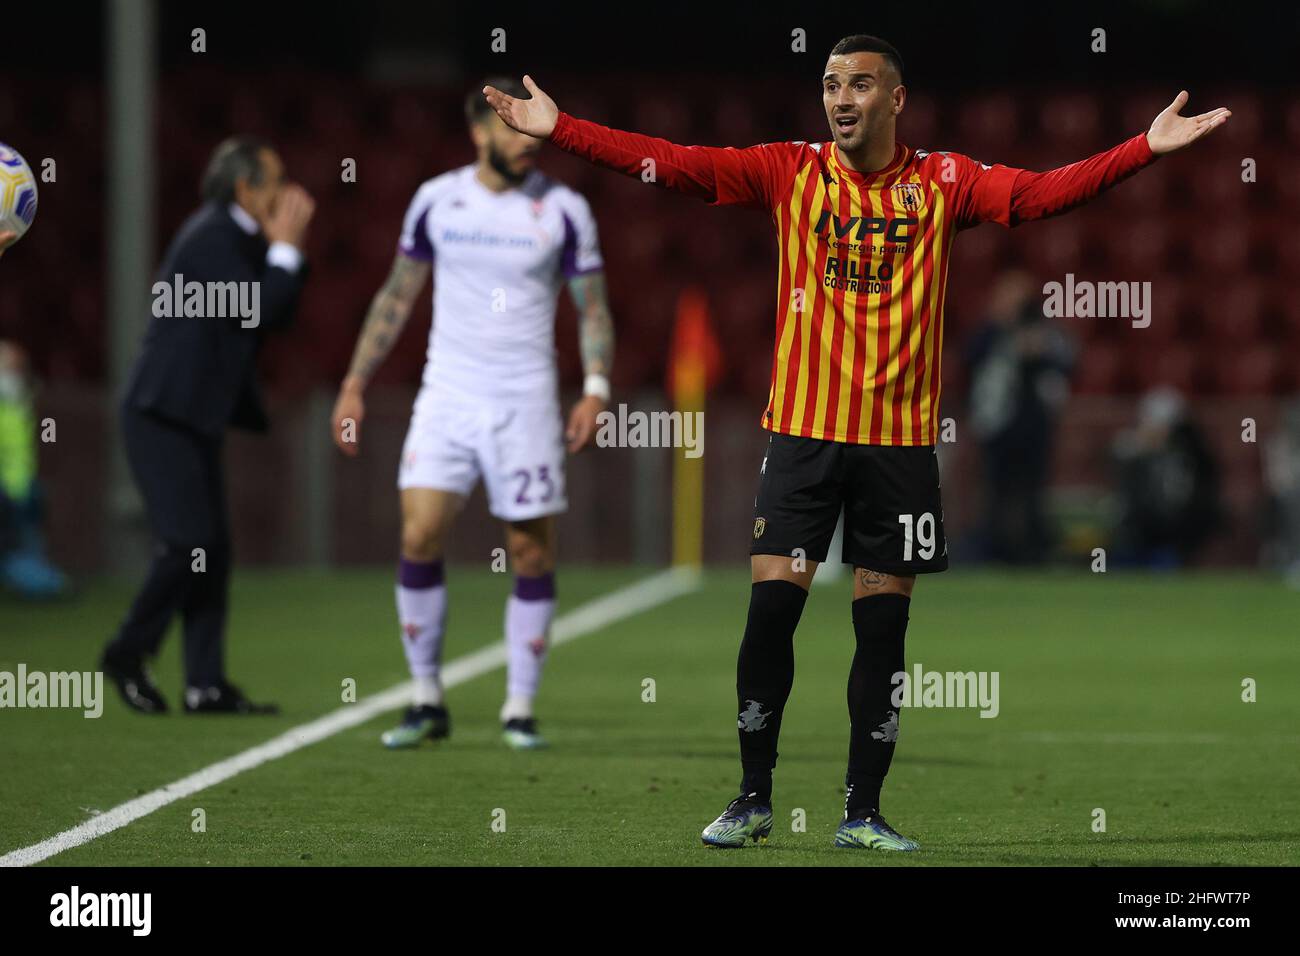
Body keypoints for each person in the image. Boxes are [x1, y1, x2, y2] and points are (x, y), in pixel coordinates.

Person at [484, 35, 1230, 849]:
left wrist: (1142, 150)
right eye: (831, 83)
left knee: (882, 635)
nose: (841, 98)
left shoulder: (945, 182)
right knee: (772, 611)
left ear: (896, 99)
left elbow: (1043, 195)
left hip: (899, 450)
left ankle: (862, 813)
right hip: (802, 437)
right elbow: (674, 161)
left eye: (861, 85)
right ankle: (752, 798)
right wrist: (565, 132)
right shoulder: (788, 170)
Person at [329, 78, 615, 751]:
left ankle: (519, 705)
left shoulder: (563, 208)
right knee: (420, 534)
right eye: (513, 126)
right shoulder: (437, 200)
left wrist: (597, 386)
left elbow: (592, 305)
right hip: (447, 396)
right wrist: (352, 382)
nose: (528, 140)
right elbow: (397, 297)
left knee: (528, 549)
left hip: (525, 402)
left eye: (532, 127)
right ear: (479, 130)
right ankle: (426, 698)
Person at [100, 137, 315, 715]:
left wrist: (284, 253)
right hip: (161, 414)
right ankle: (127, 650)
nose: (286, 192)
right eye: (275, 180)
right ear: (245, 188)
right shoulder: (213, 237)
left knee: (211, 550)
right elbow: (262, 307)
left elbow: (279, 311)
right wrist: (287, 250)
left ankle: (205, 685)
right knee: (187, 543)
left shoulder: (235, 237)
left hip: (190, 416)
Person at [967, 271, 1074, 564]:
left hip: (1034, 425)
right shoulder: (989, 333)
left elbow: (1068, 361)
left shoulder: (1043, 330)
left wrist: (1040, 349)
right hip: (998, 425)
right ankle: (991, 553)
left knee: (1032, 493)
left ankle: (1033, 553)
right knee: (995, 492)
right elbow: (971, 360)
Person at [1112, 387, 1221, 567]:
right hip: (1133, 533)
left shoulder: (1186, 457)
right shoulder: (1130, 451)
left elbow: (1180, 502)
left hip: (1168, 535)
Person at [0, 340, 69, 599]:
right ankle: (43, 582)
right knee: (19, 544)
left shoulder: (20, 402)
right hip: (13, 487)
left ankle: (44, 583)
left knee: (23, 543)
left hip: (19, 486)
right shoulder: (17, 402)